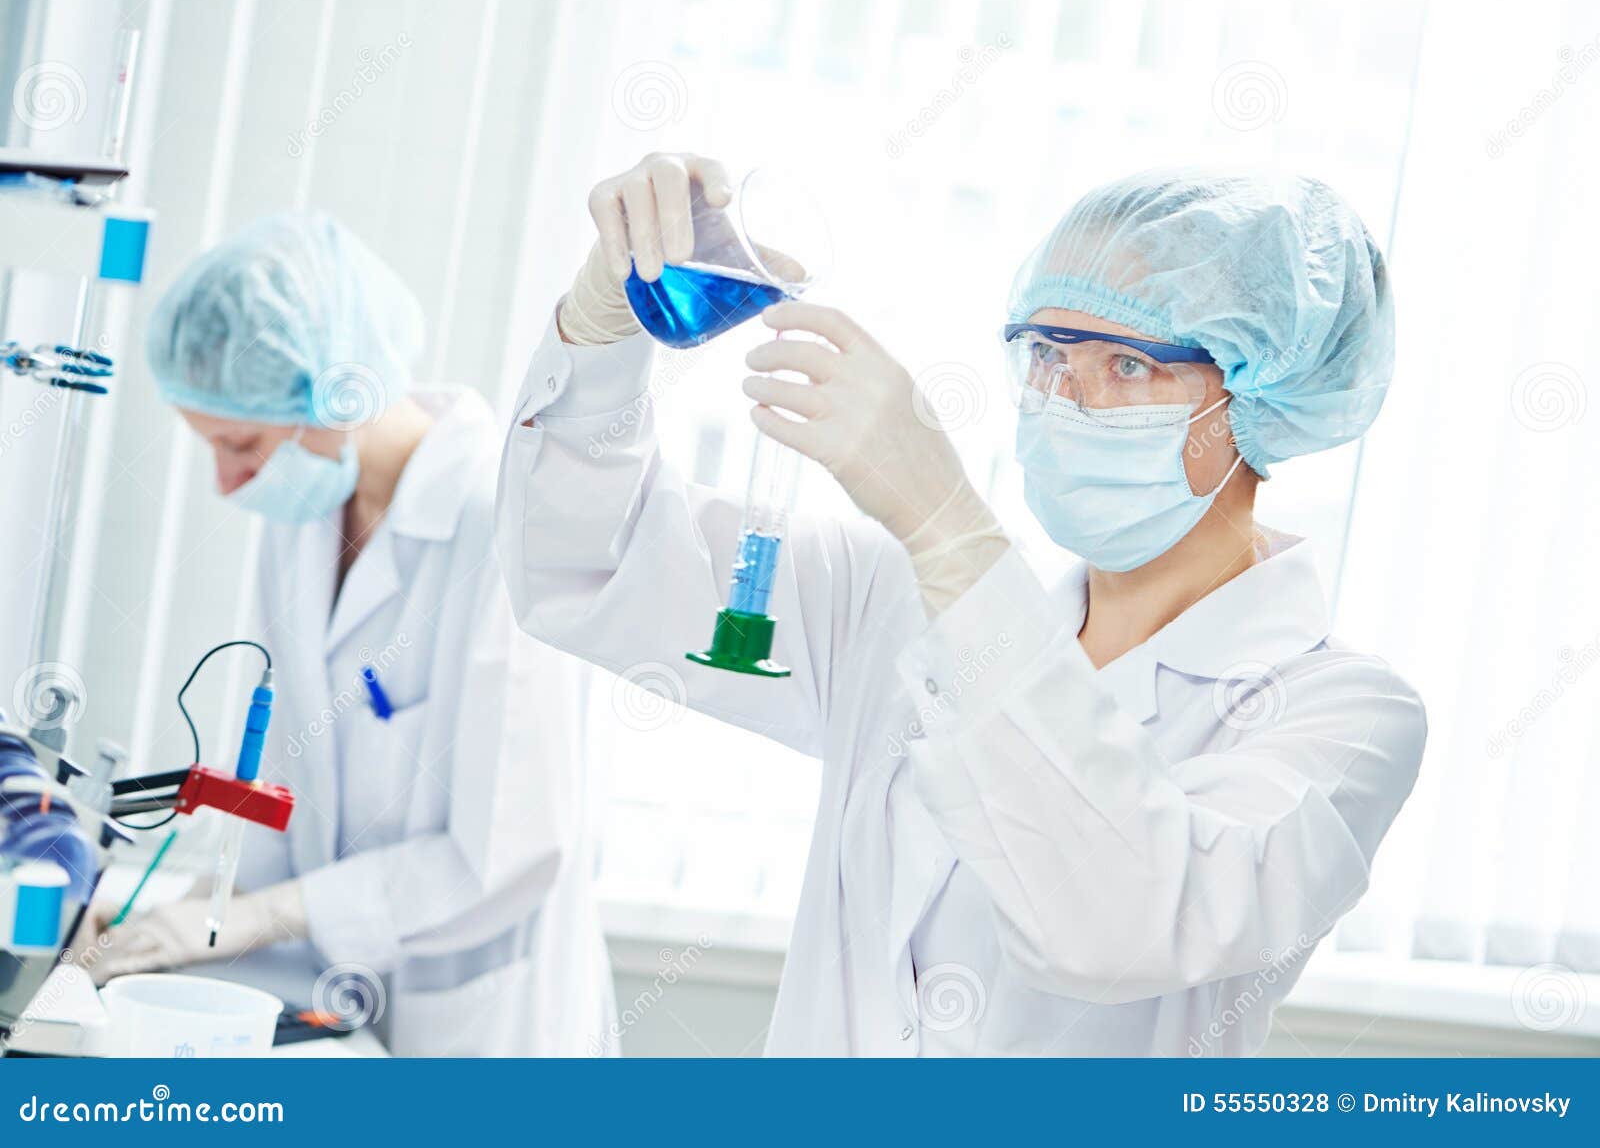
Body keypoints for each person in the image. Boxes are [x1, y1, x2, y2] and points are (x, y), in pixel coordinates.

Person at [495, 154, 1426, 1057]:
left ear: (1256, 393)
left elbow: (1118, 924)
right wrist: (599, 326)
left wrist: (946, 523)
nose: (1064, 396)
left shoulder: (1343, 716)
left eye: (1127, 365)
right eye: (1046, 354)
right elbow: (587, 561)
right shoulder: (898, 600)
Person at [86, 212, 614, 1057]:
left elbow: (511, 852)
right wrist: (192, 914)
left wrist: (264, 915)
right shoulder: (299, 522)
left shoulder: (500, 526)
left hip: (481, 1021)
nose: (227, 483)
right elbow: (293, 787)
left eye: (240, 443)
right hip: (338, 1003)